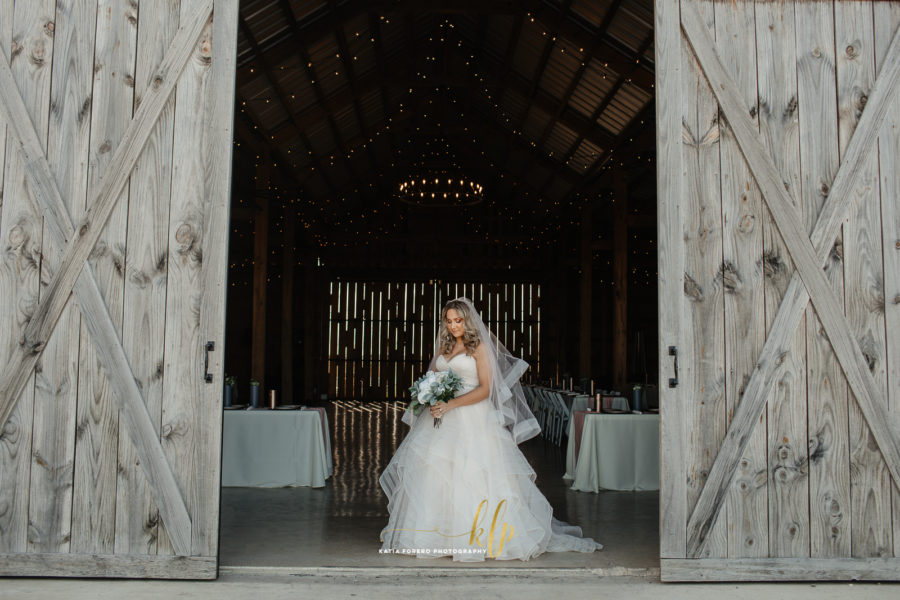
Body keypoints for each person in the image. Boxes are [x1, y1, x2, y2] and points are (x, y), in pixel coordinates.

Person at [378, 297, 602, 561]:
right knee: (438, 474)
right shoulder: (444, 346)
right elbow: (433, 378)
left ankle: (478, 536)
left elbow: (485, 389)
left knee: (473, 474)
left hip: (472, 418)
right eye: (449, 321)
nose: (454, 326)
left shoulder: (480, 347)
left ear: (468, 320)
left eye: (458, 321)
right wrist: (431, 398)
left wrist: (450, 404)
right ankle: (439, 536)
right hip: (441, 420)